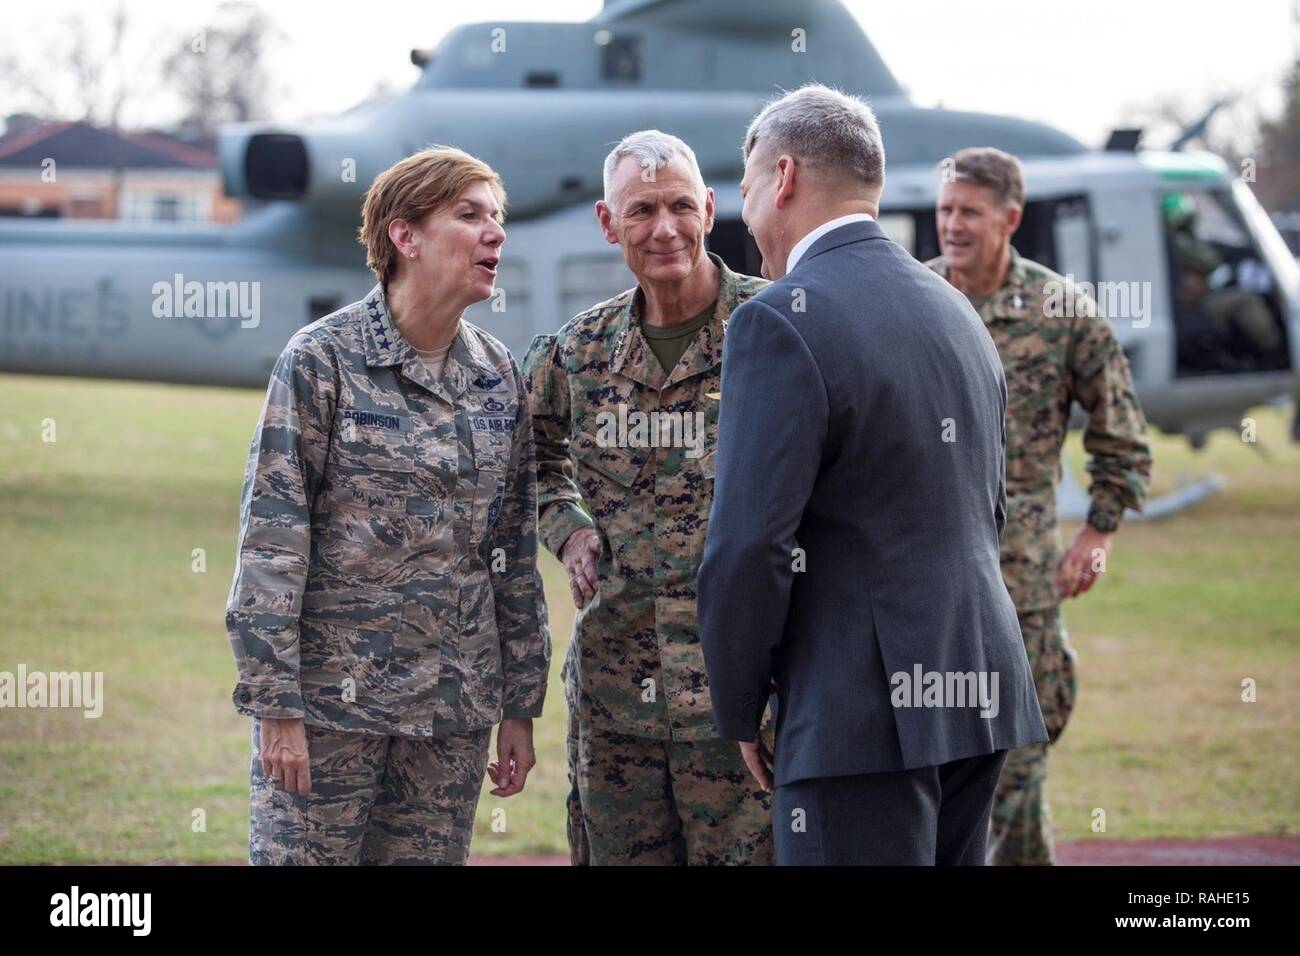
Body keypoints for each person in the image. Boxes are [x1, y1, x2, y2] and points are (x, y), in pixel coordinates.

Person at [698, 84, 1047, 866]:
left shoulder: (780, 317)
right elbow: (983, 509)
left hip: (858, 717)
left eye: (748, 186)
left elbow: (750, 544)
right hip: (975, 691)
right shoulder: (956, 308)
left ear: (783, 178)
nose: (746, 210)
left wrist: (740, 705)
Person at [225, 146, 550, 865]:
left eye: (497, 218)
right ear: (405, 237)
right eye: (469, 216)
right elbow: (273, 543)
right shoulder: (322, 360)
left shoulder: (499, 376)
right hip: (331, 711)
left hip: (450, 716)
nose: (495, 233)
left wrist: (519, 705)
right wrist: (275, 707)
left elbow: (513, 553)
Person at [522, 129, 773, 865]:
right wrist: (566, 527)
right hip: (616, 701)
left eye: (680, 207)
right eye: (641, 212)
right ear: (608, 223)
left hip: (744, 700)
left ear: (710, 210)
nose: (664, 229)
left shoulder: (778, 329)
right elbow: (530, 458)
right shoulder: (577, 352)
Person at [927, 146, 1152, 865]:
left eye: (970, 211)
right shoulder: (918, 298)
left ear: (1011, 218)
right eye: (944, 209)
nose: (952, 225)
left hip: (1019, 583)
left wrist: (1098, 533)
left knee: (1015, 765)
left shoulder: (1061, 312)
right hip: (921, 581)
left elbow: (1122, 432)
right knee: (935, 775)